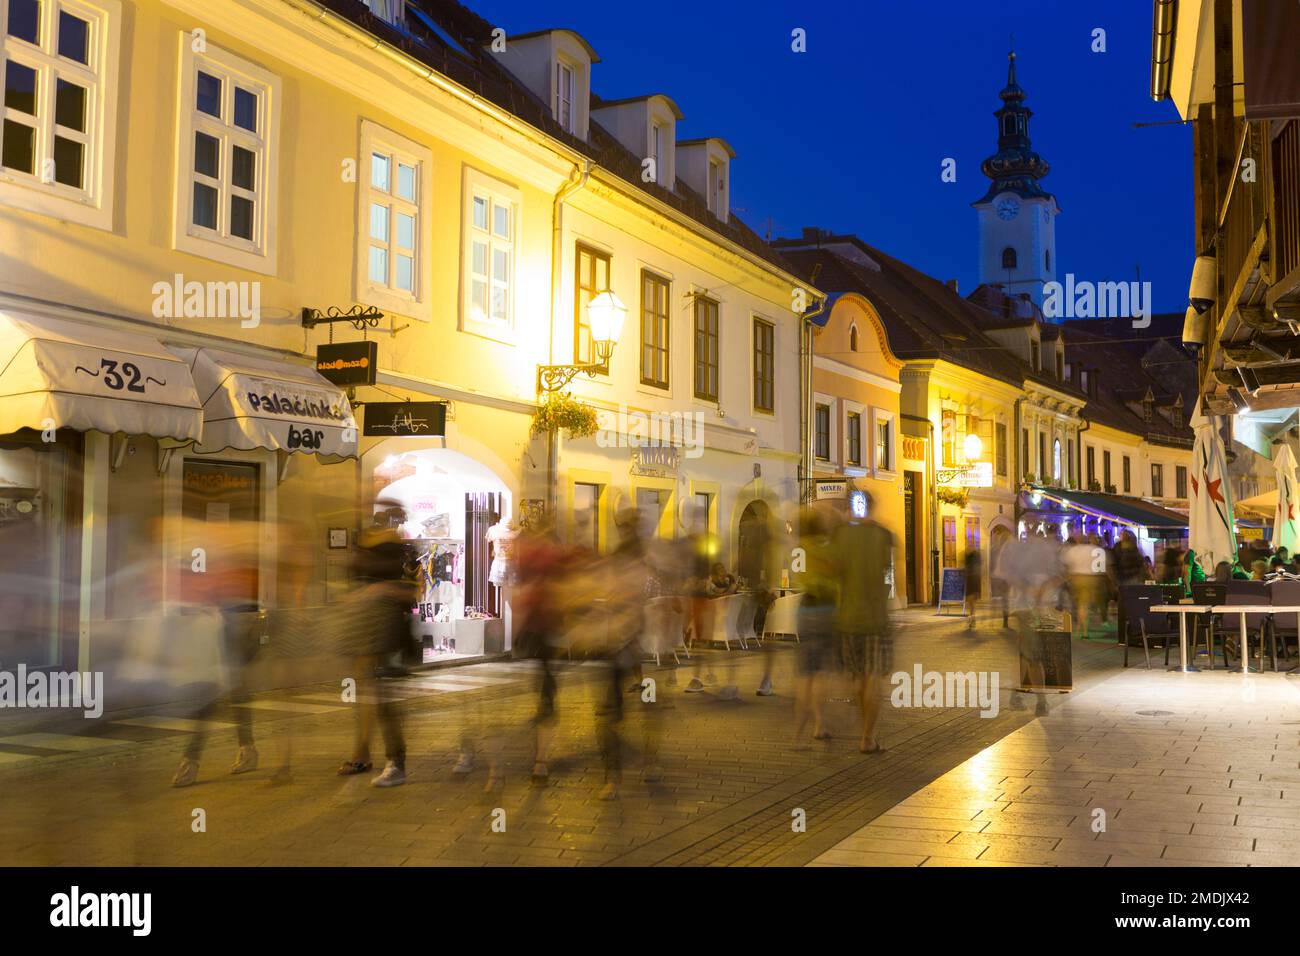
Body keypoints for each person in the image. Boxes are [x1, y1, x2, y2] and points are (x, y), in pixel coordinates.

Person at [171, 517, 261, 788]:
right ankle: (246, 749)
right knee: (232, 692)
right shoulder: (211, 561)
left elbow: (237, 598)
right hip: (219, 629)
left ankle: (192, 759)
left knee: (214, 694)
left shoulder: (233, 564)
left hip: (236, 628)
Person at [832, 492, 895, 753]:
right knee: (873, 678)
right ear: (873, 505)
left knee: (857, 677)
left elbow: (835, 571)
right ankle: (867, 738)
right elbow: (886, 573)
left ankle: (862, 728)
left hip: (847, 617)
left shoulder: (841, 535)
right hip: (875, 618)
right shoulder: (882, 535)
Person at [793, 506, 837, 746]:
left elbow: (797, 577)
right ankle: (819, 725)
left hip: (805, 609)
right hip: (826, 610)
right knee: (821, 673)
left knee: (804, 673)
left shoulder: (798, 550)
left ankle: (798, 733)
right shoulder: (829, 547)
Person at [1063, 536, 1098, 640]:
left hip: (1075, 578)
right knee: (1084, 605)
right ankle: (1085, 631)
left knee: (1079, 604)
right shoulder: (1091, 549)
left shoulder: (1072, 550)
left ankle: (1078, 625)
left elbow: (1066, 566)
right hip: (1089, 578)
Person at [962, 544, 982, 630]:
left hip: (973, 579)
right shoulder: (967, 555)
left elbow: (978, 567)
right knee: (970, 602)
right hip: (971, 579)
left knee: (971, 601)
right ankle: (972, 617)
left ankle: (972, 618)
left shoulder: (975, 555)